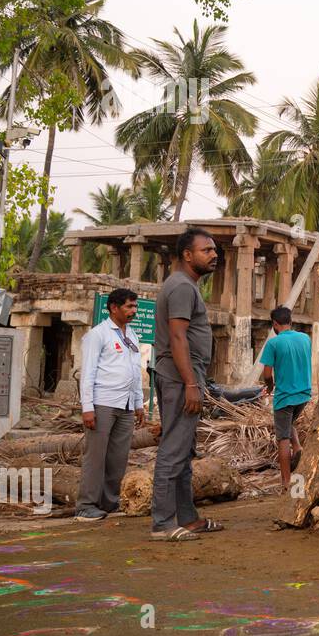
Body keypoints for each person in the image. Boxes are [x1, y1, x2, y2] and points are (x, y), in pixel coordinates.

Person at [151, 228, 221, 541]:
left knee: (183, 451)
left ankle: (187, 517)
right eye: (207, 250)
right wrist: (191, 384)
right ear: (187, 255)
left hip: (185, 377)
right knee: (172, 451)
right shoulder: (180, 286)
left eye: (214, 250)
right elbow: (177, 337)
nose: (214, 254)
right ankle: (163, 524)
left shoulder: (186, 286)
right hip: (181, 379)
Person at [76, 288, 145, 521]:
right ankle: (86, 505)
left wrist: (138, 404)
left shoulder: (132, 336)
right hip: (102, 403)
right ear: (114, 308)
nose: (133, 311)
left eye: (135, 307)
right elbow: (88, 373)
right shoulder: (98, 334)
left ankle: (109, 502)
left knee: (118, 457)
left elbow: (135, 372)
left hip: (125, 406)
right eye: (129, 307)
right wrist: (87, 408)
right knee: (95, 457)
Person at [259, 305, 312, 489]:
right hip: (304, 395)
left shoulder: (274, 343)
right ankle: (297, 447)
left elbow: (267, 374)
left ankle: (287, 482)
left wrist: (269, 387)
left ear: (275, 324)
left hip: (284, 397)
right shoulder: (305, 338)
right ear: (290, 320)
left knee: (282, 438)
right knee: (289, 425)